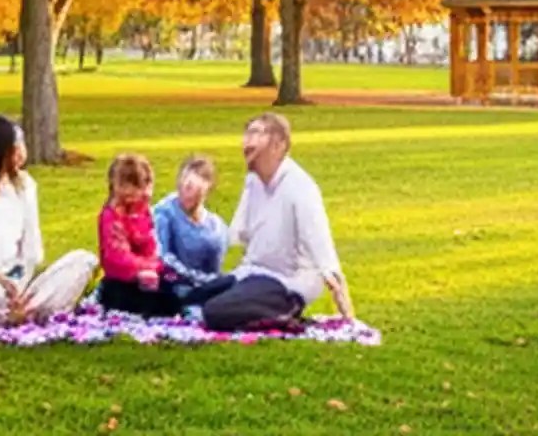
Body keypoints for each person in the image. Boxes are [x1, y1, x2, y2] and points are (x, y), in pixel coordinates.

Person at [202, 113, 356, 332]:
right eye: (246, 134)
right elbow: (244, 234)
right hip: (253, 273)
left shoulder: (300, 186)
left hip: (288, 281)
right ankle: (264, 310)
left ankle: (284, 313)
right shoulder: (253, 182)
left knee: (214, 312)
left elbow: (321, 246)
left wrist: (346, 312)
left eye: (256, 133)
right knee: (193, 298)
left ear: (278, 145)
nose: (246, 142)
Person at [0, 115, 97, 324]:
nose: (23, 150)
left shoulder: (25, 186)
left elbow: (32, 252)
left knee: (84, 260)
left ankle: (25, 311)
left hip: (20, 288)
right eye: (18, 145)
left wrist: (19, 286)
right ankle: (13, 313)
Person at [96, 154, 181, 317]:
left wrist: (154, 268)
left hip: (147, 276)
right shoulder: (111, 216)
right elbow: (116, 258)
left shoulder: (143, 213)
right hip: (121, 280)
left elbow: (152, 248)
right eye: (136, 186)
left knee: (172, 296)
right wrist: (140, 270)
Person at [153, 156, 234, 307]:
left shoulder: (216, 227)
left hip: (205, 288)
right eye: (184, 186)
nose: (187, 194)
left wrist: (212, 283)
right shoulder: (164, 213)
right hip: (171, 287)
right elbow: (162, 259)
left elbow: (215, 269)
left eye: (193, 189)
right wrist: (199, 279)